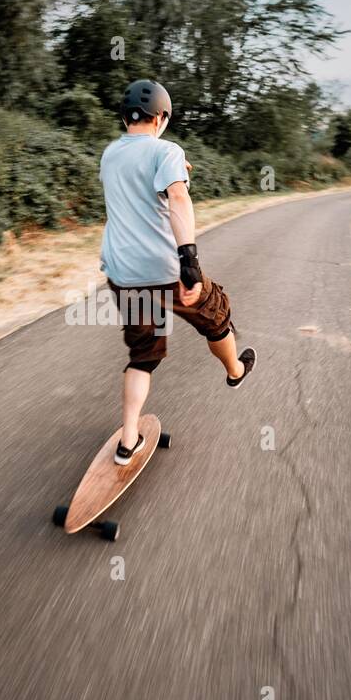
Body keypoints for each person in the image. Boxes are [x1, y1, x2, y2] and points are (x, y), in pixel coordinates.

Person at [99, 79, 257, 465]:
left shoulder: (109, 154)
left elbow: (138, 179)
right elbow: (178, 198)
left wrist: (174, 167)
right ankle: (235, 370)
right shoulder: (167, 150)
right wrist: (191, 262)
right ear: (162, 118)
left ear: (125, 118)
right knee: (216, 314)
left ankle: (128, 441)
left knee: (143, 353)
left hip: (122, 270)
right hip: (163, 268)